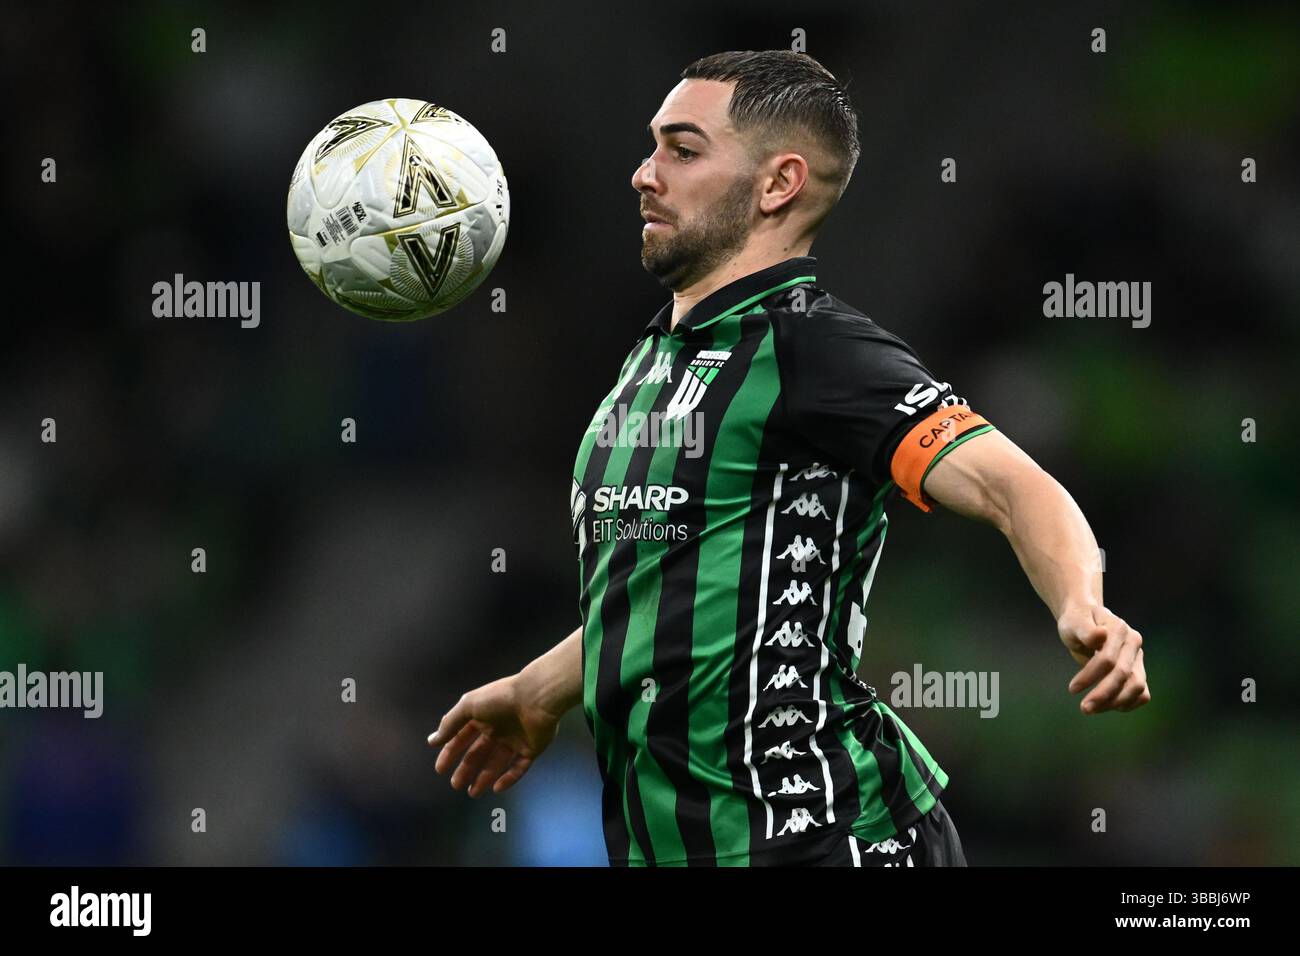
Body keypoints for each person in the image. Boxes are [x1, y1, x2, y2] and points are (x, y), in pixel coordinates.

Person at [428, 50, 1150, 866]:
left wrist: (1080, 605)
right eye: (652, 146)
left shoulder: (813, 349)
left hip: (820, 838)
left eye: (683, 149)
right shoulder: (651, 363)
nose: (643, 174)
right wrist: (539, 689)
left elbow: (1011, 483)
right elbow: (674, 586)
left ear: (778, 185)